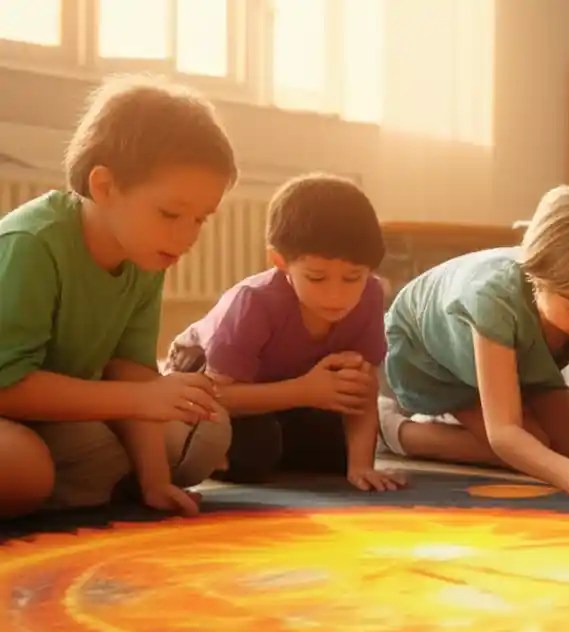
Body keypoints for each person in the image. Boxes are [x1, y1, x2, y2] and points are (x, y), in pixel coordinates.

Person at [0, 75, 237, 519]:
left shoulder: (144, 251)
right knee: (26, 469)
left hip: (53, 416)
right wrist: (140, 400)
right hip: (12, 406)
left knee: (202, 436)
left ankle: (89, 481)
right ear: (105, 187)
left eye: (200, 220)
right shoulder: (32, 243)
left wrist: (154, 481)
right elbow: (7, 385)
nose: (186, 237)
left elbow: (130, 373)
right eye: (170, 213)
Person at [379, 185, 569, 498]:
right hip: (429, 357)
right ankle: (394, 430)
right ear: (539, 281)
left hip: (522, 357)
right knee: (535, 446)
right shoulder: (494, 298)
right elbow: (504, 433)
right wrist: (567, 474)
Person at [168, 174, 401, 491]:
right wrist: (305, 391)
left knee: (336, 453)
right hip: (209, 382)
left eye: (352, 278)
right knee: (255, 450)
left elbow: (361, 388)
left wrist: (360, 466)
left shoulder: (369, 296)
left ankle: (278, 433)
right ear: (280, 262)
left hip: (288, 389)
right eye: (317, 278)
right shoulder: (253, 302)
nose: (336, 295)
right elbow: (218, 395)